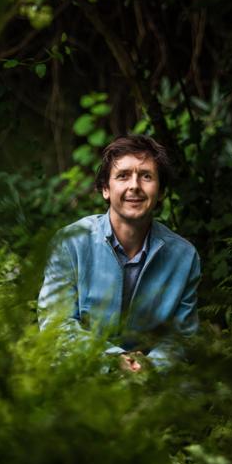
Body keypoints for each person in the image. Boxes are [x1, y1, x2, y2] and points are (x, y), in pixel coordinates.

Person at [38, 135, 201, 372]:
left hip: (153, 383)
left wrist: (148, 367)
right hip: (80, 374)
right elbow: (56, 324)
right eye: (123, 176)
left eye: (146, 176)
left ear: (162, 192)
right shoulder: (70, 243)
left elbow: (182, 337)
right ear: (105, 188)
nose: (134, 185)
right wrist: (114, 360)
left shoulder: (184, 257)